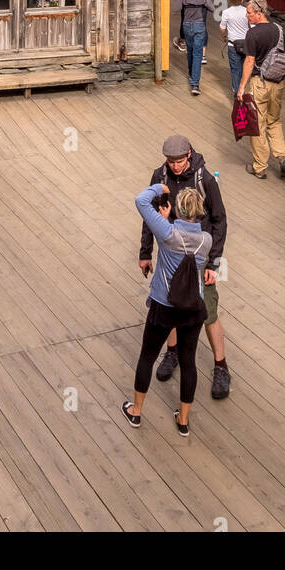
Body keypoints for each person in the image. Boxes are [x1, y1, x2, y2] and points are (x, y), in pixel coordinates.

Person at [138, 134, 230, 398]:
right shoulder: (160, 177)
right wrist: (145, 252)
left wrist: (214, 262)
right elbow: (149, 217)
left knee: (208, 310)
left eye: (179, 161)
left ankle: (221, 366)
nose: (175, 166)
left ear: (188, 154)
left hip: (200, 258)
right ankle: (172, 353)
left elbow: (219, 220)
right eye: (171, 161)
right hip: (171, 253)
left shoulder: (206, 180)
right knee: (170, 302)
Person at [124, 183, 211, 436]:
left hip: (164, 306)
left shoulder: (168, 233)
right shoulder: (206, 241)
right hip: (193, 308)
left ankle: (136, 411)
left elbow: (141, 201)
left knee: (148, 356)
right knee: (188, 362)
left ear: (178, 209)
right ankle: (183, 420)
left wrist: (158, 187)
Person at [236, 0, 285, 180]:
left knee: (257, 124)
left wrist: (241, 87)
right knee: (274, 121)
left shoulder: (253, 35)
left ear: (259, 13)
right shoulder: (278, 30)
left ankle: (260, 167)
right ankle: (282, 156)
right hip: (277, 83)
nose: (247, 16)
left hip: (259, 83)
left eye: (249, 13)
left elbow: (250, 61)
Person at [178, 0, 213, 95]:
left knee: (190, 50)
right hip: (199, 25)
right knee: (198, 53)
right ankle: (195, 84)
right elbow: (212, 8)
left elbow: (177, 7)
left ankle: (190, 72)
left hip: (187, 25)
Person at [219, 0, 249, 97]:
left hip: (232, 44)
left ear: (230, 0)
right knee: (245, 67)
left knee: (235, 69)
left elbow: (222, 28)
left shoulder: (227, 12)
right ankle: (242, 87)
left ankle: (237, 93)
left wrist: (224, 37)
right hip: (246, 44)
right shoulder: (247, 11)